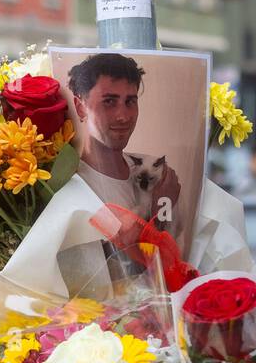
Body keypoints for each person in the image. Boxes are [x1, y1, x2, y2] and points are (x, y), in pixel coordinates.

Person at [66, 52, 181, 230]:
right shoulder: (75, 187)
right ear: (81, 108)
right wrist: (162, 207)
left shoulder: (152, 169)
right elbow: (136, 256)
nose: (123, 117)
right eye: (109, 101)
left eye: (130, 101)